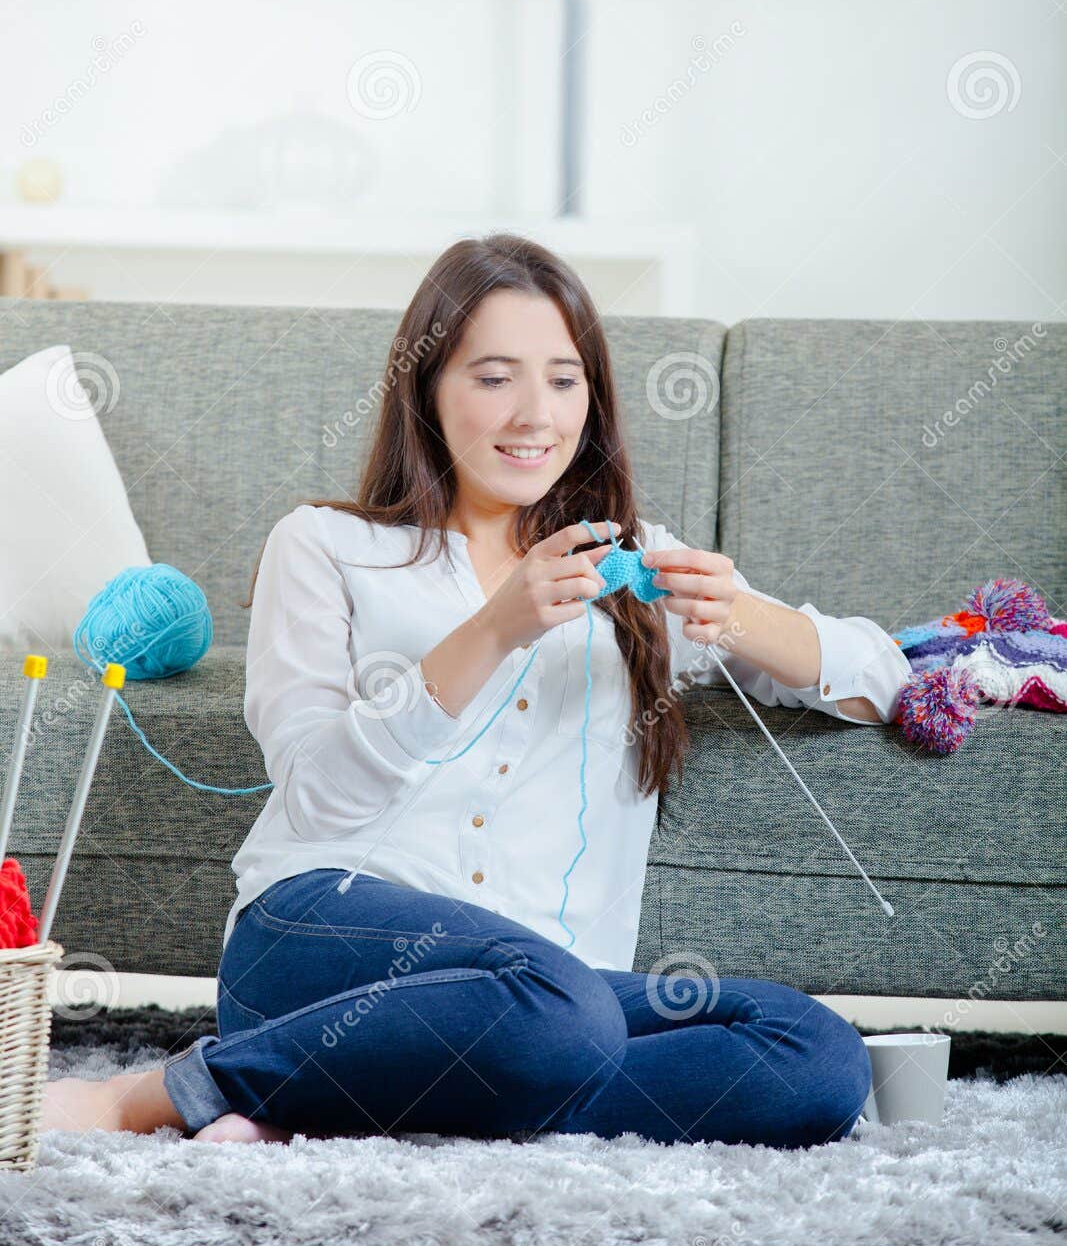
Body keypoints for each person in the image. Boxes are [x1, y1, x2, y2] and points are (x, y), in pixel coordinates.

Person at [42, 234, 911, 1150]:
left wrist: (734, 614)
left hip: (546, 1001)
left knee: (814, 1056)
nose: (535, 413)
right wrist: (494, 628)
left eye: (564, 380)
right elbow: (316, 793)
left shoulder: (628, 568)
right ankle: (156, 1097)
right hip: (321, 944)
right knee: (561, 1013)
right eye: (494, 377)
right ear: (428, 391)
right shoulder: (325, 546)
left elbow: (882, 679)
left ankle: (331, 1101)